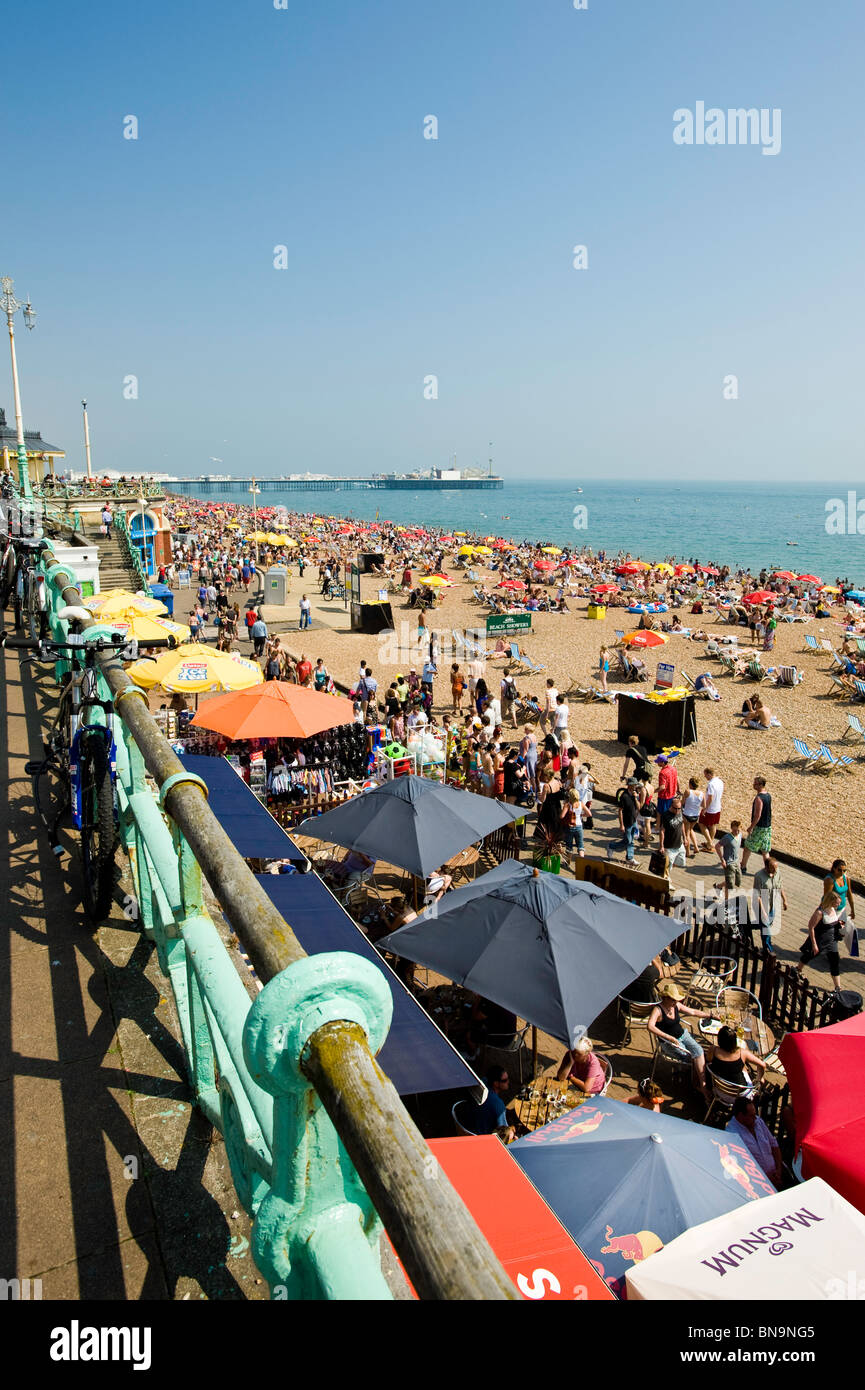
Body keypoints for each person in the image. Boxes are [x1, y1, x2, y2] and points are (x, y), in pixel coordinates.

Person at [647, 982, 713, 1096]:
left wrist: (709, 1015)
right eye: (673, 1000)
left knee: (699, 1051)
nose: (675, 1002)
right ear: (666, 998)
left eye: (676, 1000)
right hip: (668, 1042)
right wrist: (668, 1037)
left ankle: (702, 1085)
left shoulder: (675, 1006)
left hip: (683, 1035)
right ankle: (698, 1085)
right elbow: (650, 1026)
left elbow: (692, 1011)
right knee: (691, 1057)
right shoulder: (658, 1010)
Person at [726, 1096, 784, 1187]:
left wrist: (779, 1170)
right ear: (741, 1116)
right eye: (751, 1116)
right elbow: (740, 1165)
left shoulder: (758, 1122)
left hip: (776, 1175)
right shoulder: (732, 1133)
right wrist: (765, 1179)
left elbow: (774, 1145)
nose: (755, 1118)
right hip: (757, 1183)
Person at [797, 886, 844, 992]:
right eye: (837, 903)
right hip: (820, 941)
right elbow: (811, 927)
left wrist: (839, 925)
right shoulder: (819, 912)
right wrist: (814, 944)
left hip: (832, 941)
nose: (838, 905)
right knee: (809, 955)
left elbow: (833, 922)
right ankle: (798, 969)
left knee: (834, 961)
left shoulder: (832, 909)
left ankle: (838, 987)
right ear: (831, 901)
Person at [708, 1024, 766, 1096]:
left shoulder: (713, 1049)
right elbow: (763, 1064)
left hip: (719, 1090)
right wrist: (759, 1078)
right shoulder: (742, 1053)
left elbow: (709, 1060)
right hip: (739, 1096)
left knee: (742, 1066)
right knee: (743, 1066)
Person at [461, 1066, 515, 1140]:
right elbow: (504, 1132)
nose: (508, 1082)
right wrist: (512, 1130)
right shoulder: (498, 1105)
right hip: (482, 1138)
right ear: (496, 1083)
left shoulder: (481, 1083)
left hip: (467, 1127)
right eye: (505, 1080)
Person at [751, 856, 788, 954]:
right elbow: (757, 895)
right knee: (766, 929)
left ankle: (746, 925)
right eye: (773, 867)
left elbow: (780, 886)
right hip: (761, 906)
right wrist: (763, 911)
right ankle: (768, 951)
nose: (775, 869)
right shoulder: (759, 876)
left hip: (772, 905)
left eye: (776, 867)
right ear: (766, 867)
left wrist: (785, 900)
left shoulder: (777, 872)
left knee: (766, 924)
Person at [740, 776, 772, 872]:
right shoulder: (768, 795)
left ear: (761, 785)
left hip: (759, 827)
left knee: (748, 847)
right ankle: (769, 869)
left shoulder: (759, 798)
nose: (753, 785)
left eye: (755, 784)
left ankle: (743, 866)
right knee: (765, 850)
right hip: (767, 827)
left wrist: (751, 827)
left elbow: (757, 815)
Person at [608, 778, 639, 863]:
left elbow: (639, 807)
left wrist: (636, 798)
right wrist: (621, 824)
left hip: (633, 821)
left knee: (631, 841)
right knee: (628, 841)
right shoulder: (624, 796)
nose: (636, 786)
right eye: (634, 785)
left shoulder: (635, 794)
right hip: (627, 822)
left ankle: (630, 857)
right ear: (630, 785)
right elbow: (620, 810)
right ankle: (612, 846)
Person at [698, 766, 724, 853]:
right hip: (717, 807)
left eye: (705, 775)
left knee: (701, 824)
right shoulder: (720, 781)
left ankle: (710, 843)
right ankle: (709, 843)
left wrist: (705, 808)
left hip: (710, 808)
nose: (705, 777)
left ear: (709, 774)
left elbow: (710, 797)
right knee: (713, 825)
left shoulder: (711, 784)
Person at [659, 794, 686, 869]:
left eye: (679, 808)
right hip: (669, 846)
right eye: (675, 808)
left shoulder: (680, 812)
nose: (677, 810)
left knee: (682, 861)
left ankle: (671, 864)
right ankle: (666, 878)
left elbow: (682, 824)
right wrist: (661, 846)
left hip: (679, 845)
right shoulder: (665, 815)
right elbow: (662, 831)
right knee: (667, 868)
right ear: (671, 806)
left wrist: (685, 837)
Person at [681, 777, 704, 858]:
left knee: (687, 833)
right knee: (691, 830)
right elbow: (703, 805)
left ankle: (687, 852)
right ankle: (696, 846)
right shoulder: (701, 793)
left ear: (690, 784)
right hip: (695, 815)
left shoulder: (688, 791)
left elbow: (682, 803)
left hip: (687, 814)